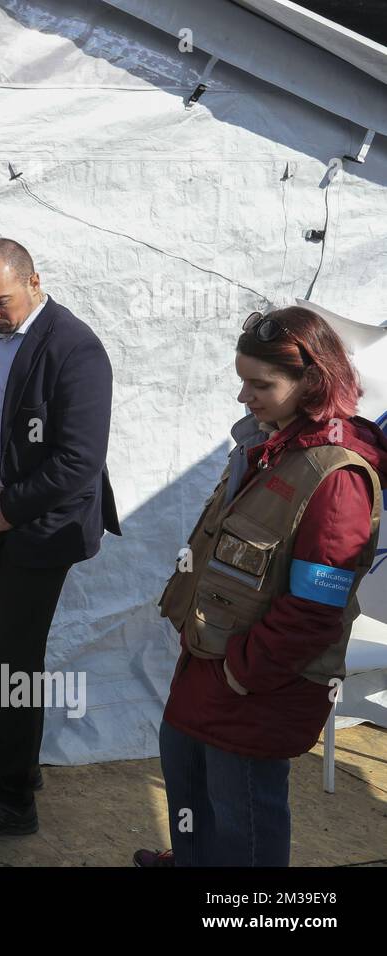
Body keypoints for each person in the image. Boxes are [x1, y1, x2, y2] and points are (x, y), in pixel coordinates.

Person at [135, 306, 385, 867]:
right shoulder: (268, 445)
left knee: (244, 824)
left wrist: (243, 671)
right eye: (242, 380)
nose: (244, 397)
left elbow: (314, 609)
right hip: (211, 665)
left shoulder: (336, 478)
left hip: (256, 684)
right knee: (187, 782)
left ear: (311, 382)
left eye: (260, 384)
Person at [0, 238, 120, 839]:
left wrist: (8, 510)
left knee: (16, 657)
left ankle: (14, 799)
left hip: (40, 527)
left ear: (35, 281)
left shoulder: (76, 349)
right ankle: (15, 760)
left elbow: (79, 461)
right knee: (11, 653)